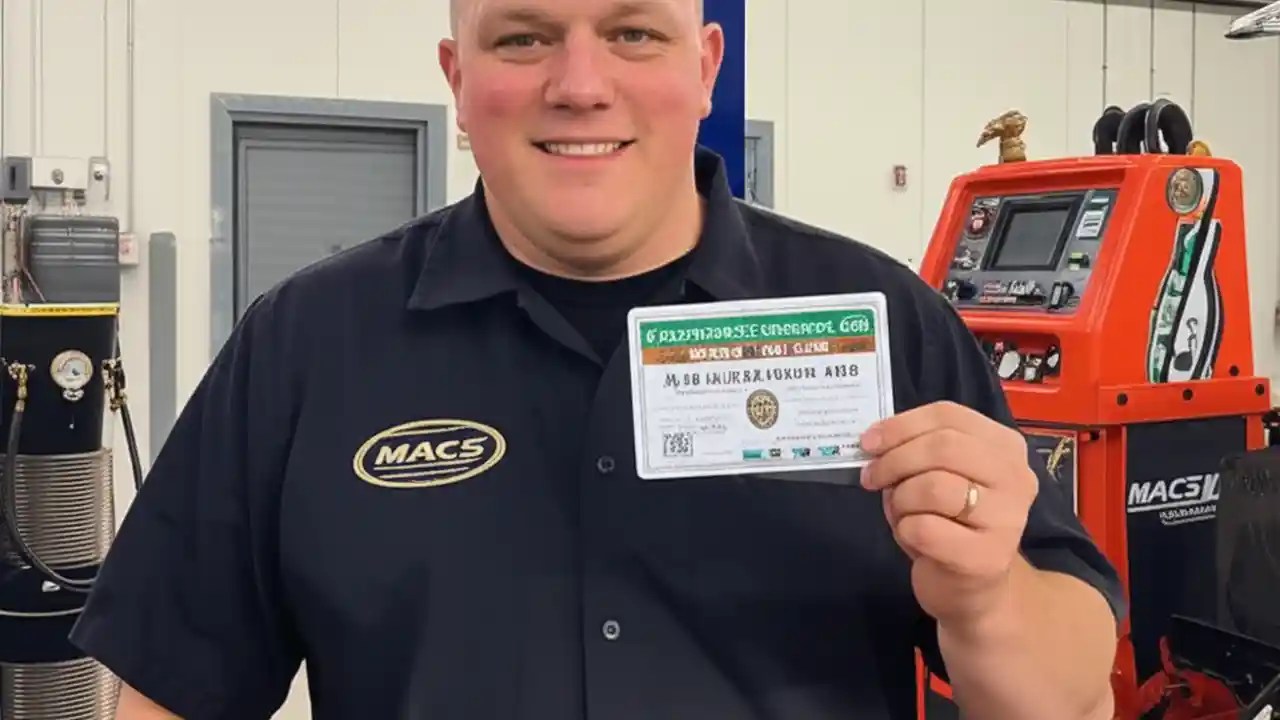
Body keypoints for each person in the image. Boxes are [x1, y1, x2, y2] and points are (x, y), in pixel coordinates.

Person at [71, 0, 1125, 718]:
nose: (580, 85)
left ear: (703, 68)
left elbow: (1069, 695)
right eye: (524, 37)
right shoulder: (303, 347)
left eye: (631, 32)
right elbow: (172, 690)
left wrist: (985, 598)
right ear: (456, 74)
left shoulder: (888, 325)